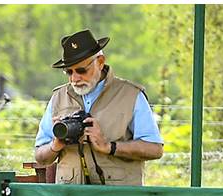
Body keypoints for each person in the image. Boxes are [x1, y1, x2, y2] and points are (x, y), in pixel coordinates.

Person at [33, 29, 163, 185]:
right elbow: (40, 156)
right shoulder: (58, 97)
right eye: (68, 72)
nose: (74, 78)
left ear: (100, 62)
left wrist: (109, 147)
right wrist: (55, 145)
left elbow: (155, 149)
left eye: (81, 70)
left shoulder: (131, 94)